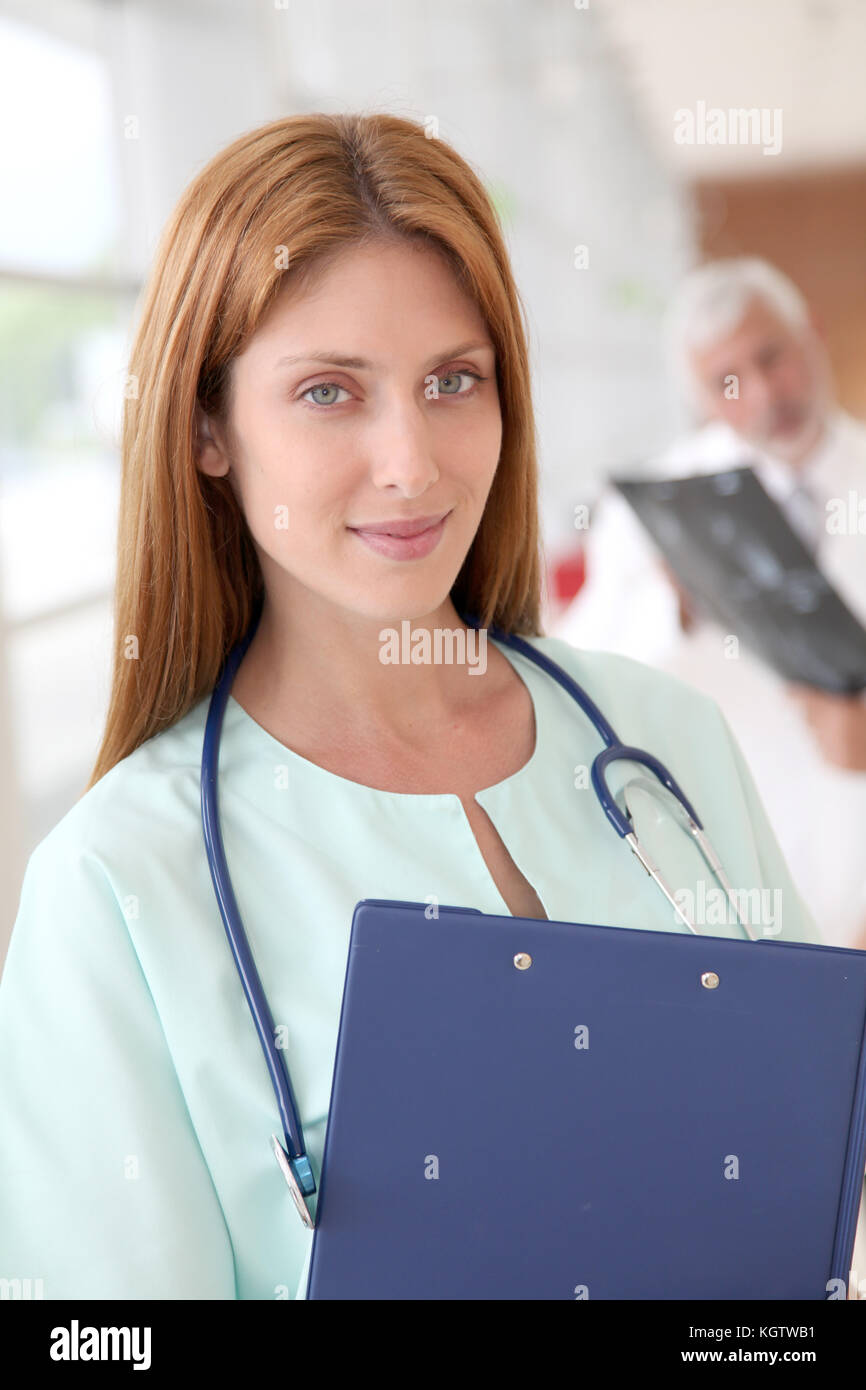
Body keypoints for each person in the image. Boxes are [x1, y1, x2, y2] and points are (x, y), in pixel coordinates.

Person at [0, 117, 826, 1302]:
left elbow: (797, 1198)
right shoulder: (118, 885)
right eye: (329, 392)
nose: (412, 461)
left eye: (452, 381)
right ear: (206, 428)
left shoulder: (663, 744)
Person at [555, 258, 866, 950]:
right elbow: (582, 677)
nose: (762, 392)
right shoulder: (651, 513)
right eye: (728, 380)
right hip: (727, 868)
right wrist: (676, 613)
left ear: (811, 333)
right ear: (698, 395)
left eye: (772, 357)